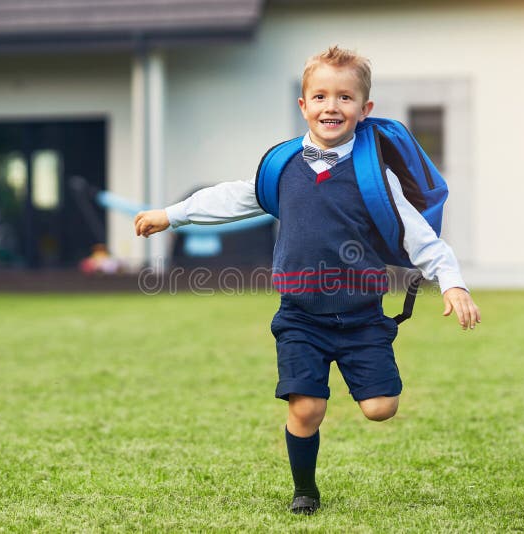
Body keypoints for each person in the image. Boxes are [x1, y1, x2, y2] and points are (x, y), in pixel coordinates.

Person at [134, 45, 481, 515]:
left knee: (382, 407)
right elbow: (232, 198)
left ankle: (356, 385)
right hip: (300, 315)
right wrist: (171, 215)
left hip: (362, 316)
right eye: (320, 97)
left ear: (365, 109)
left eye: (344, 97)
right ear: (303, 105)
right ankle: (305, 490)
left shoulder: (375, 176)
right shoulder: (283, 168)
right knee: (307, 409)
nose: (331, 107)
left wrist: (452, 281)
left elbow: (420, 235)